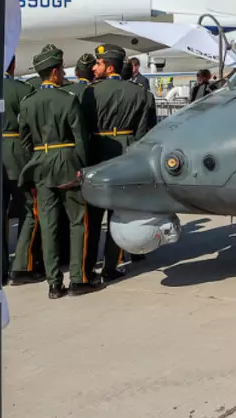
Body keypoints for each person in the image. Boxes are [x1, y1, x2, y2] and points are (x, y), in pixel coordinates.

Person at [18, 47, 98, 298]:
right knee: (77, 222)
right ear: (54, 72)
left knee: (48, 225)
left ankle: (53, 283)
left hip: (40, 164)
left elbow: (24, 143)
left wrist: (34, 163)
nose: (64, 73)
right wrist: (82, 167)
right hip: (66, 162)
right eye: (62, 69)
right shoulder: (67, 99)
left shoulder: (28, 102)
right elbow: (80, 139)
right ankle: (78, 278)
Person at [81, 44, 153, 282]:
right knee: (118, 215)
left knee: (92, 217)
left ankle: (87, 268)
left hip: (95, 154)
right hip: (125, 155)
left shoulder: (89, 92)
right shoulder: (141, 93)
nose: (94, 67)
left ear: (109, 66)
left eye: (98, 63)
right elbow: (144, 134)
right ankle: (111, 266)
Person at [3, 57, 44, 286]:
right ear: (13, 64)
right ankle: (22, 265)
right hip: (18, 154)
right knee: (30, 209)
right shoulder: (23, 90)